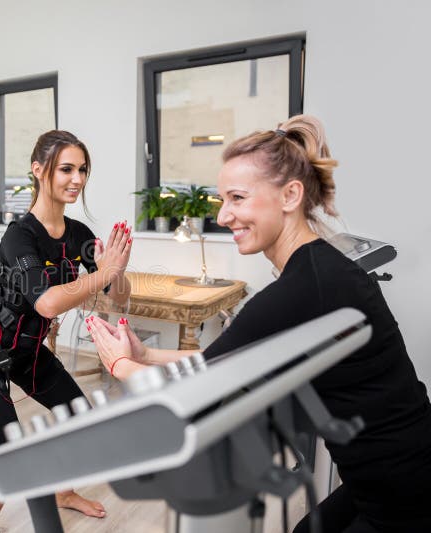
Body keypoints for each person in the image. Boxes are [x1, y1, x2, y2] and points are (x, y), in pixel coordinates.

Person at [88, 114, 431, 532]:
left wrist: (120, 366)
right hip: (386, 474)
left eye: (237, 198)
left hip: (405, 490)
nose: (225, 215)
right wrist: (146, 353)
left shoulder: (305, 287)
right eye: (223, 201)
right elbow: (224, 361)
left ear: (289, 195)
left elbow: (199, 393)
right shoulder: (315, 268)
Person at [0, 130, 132, 532]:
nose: (77, 178)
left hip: (27, 354)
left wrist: (115, 271)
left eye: (82, 169)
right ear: (39, 170)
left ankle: (62, 491)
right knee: (6, 453)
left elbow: (117, 296)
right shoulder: (20, 236)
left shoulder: (79, 235)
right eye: (67, 168)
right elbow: (47, 302)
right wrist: (102, 272)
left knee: (80, 419)